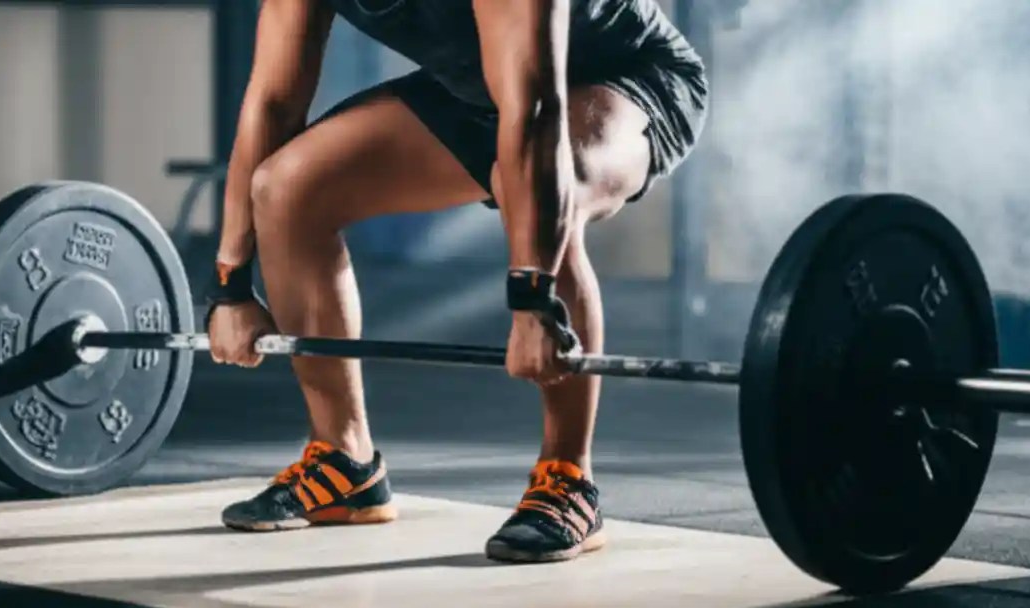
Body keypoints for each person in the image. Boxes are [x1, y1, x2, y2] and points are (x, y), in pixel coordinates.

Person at [206, 0, 707, 563]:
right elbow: (272, 102)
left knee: (541, 190)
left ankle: (568, 478)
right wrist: (230, 286)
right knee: (286, 187)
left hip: (626, 80)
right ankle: (344, 461)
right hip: (483, 89)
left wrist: (533, 298)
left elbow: (537, 108)